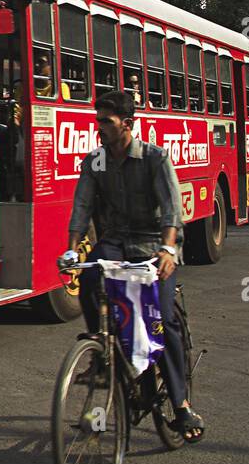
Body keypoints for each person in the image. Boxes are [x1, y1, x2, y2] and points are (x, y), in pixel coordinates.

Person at [67, 89, 204, 438]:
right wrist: (71, 249)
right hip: (115, 244)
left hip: (153, 247)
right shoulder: (95, 161)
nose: (99, 126)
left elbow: (172, 209)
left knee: (162, 319)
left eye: (106, 121)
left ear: (127, 124)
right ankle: (101, 349)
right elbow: (81, 207)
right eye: (97, 120)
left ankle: (181, 404)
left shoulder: (155, 159)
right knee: (87, 279)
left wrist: (169, 249)